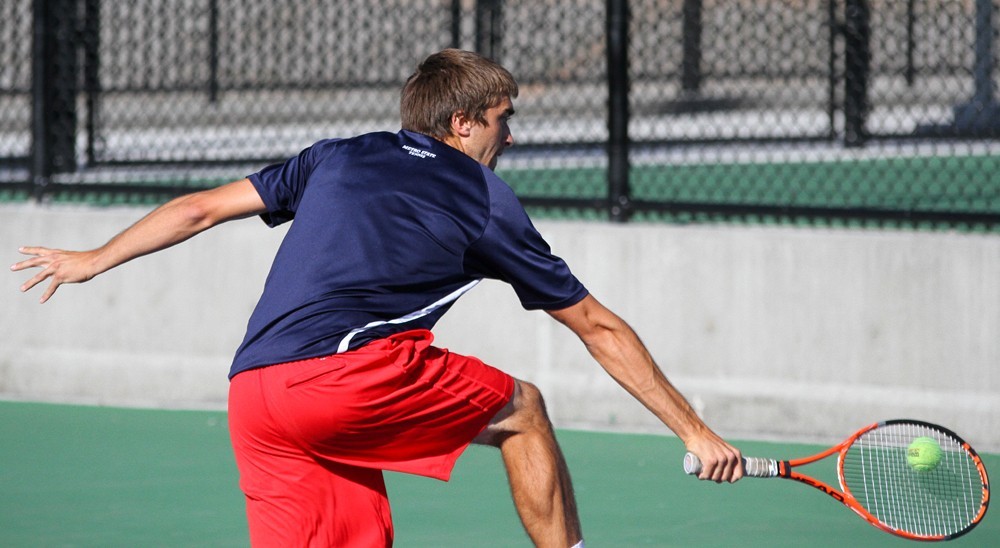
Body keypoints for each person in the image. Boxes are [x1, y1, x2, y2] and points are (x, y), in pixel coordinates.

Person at [12, 49, 742, 547]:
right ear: (464, 123)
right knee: (522, 410)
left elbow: (201, 208)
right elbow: (597, 325)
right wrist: (693, 431)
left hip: (254, 398)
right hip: (342, 381)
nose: (510, 136)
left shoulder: (338, 153)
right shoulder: (483, 198)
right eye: (502, 119)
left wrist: (93, 259)